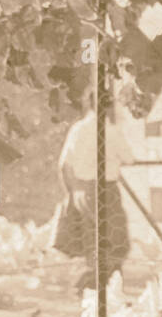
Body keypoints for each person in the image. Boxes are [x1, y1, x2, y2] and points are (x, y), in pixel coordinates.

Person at [53, 103, 136, 292]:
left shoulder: (77, 129)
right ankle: (96, 287)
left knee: (94, 240)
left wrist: (72, 193)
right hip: (105, 189)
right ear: (107, 108)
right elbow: (129, 158)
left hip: (83, 190)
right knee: (117, 241)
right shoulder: (110, 131)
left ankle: (95, 291)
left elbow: (64, 165)